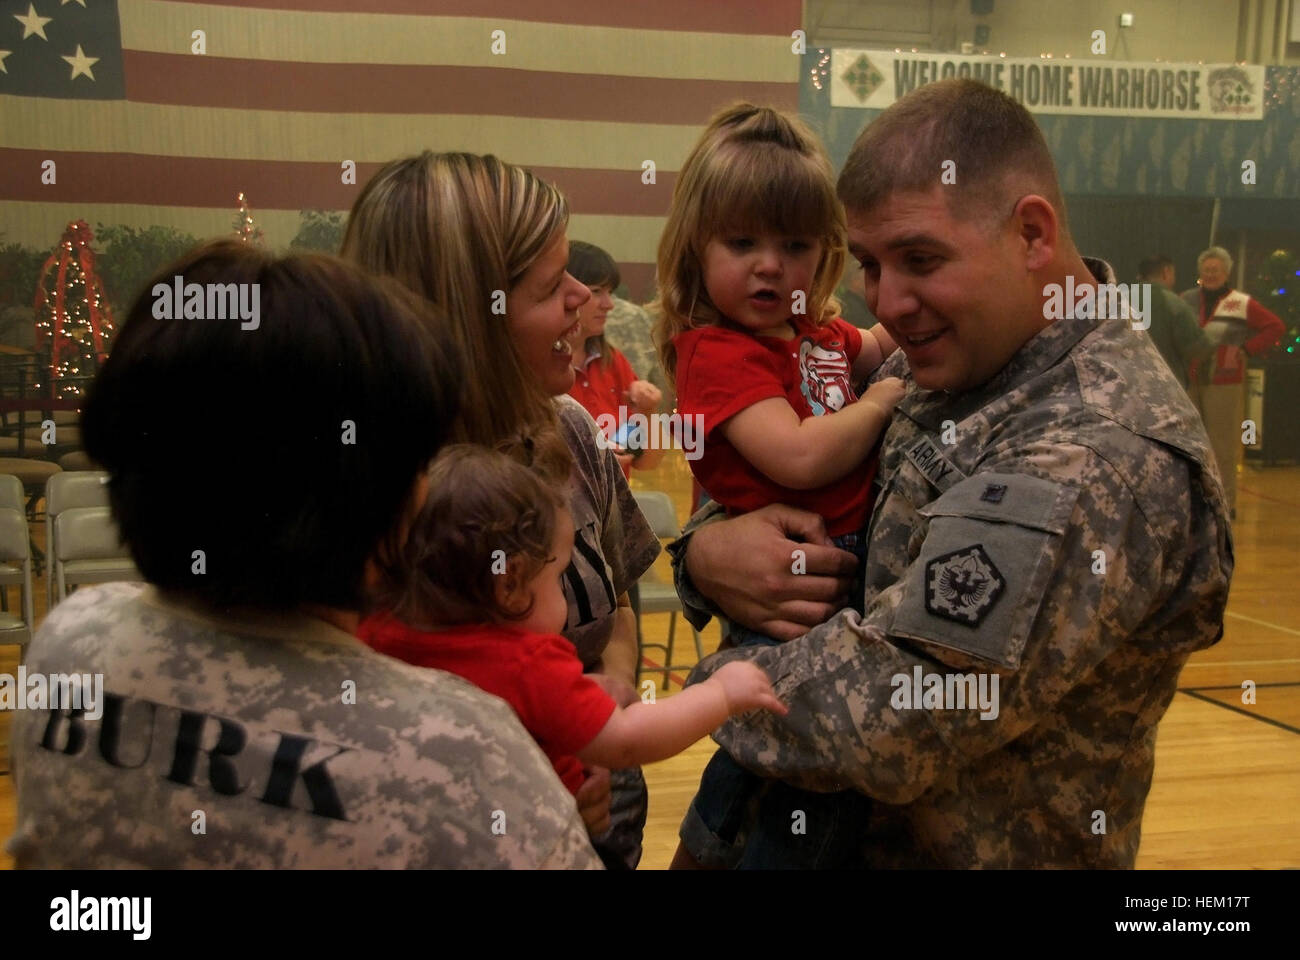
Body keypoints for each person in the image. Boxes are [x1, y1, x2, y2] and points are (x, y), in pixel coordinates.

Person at [668, 79, 1233, 869]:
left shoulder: (1098, 448)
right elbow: (779, 474)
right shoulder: (952, 348)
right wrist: (706, 552)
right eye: (867, 263)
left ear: (1032, 234)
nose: (888, 302)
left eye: (920, 260)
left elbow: (900, 710)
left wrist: (697, 692)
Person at [6, 240, 601, 869]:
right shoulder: (464, 754)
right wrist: (546, 816)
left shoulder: (69, 644)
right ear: (387, 498)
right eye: (418, 458)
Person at [341, 152, 660, 870]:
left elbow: (620, 594)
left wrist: (610, 678)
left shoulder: (570, 431)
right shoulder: (369, 494)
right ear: (470, 317)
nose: (584, 295)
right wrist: (522, 778)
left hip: (607, 820)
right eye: (553, 285)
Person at [651, 102, 904, 868]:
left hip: (836, 575)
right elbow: (796, 456)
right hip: (791, 588)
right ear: (697, 250)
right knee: (794, 765)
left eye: (795, 246)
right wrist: (881, 401)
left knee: (802, 757)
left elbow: (884, 337)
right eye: (742, 243)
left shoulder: (817, 333)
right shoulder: (715, 353)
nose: (770, 265)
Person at [359, 444, 785, 791]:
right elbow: (626, 740)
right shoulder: (528, 665)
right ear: (509, 586)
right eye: (558, 575)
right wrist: (720, 696)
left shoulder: (378, 636)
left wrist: (579, 694)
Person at [1180, 246, 1284, 516]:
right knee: (1191, 444)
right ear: (1199, 273)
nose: (1211, 274)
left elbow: (1276, 326)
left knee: (1223, 445)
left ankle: (1226, 505)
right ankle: (1196, 502)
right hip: (1189, 381)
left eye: (1216, 270)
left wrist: (1247, 349)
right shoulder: (1186, 299)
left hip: (1224, 382)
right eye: (1206, 270)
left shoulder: (1241, 302)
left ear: (1226, 273)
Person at [566, 240, 663, 476]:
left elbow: (647, 462)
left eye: (610, 292)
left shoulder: (612, 361)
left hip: (610, 509)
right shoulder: (535, 364)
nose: (609, 305)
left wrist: (648, 411)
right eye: (597, 292)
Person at [1136, 254, 1213, 392]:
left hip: (1129, 386)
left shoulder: (1119, 301)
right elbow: (1197, 347)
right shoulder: (1173, 303)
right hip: (1166, 387)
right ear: (1166, 272)